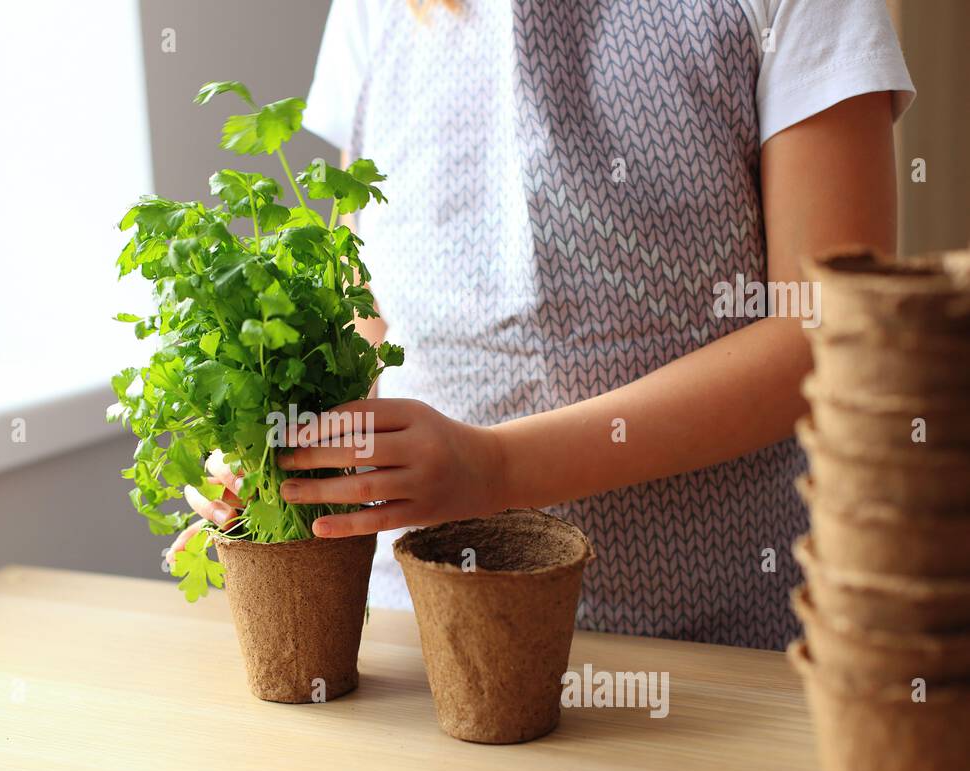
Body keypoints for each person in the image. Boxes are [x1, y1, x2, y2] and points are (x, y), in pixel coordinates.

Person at [178, 0, 914, 649]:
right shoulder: (381, 8)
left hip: (715, 653)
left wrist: (494, 468)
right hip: (424, 638)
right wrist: (298, 453)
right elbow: (371, 298)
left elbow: (825, 331)